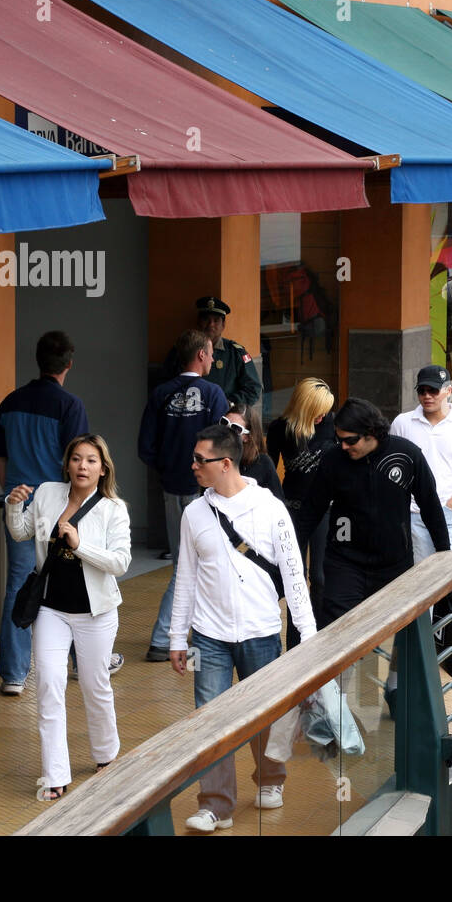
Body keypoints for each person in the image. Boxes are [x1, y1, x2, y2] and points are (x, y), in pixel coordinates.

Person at [168, 424, 317, 833]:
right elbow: (185, 578)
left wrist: (309, 638)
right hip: (208, 636)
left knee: (264, 715)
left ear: (226, 463)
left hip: (261, 631)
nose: (194, 465)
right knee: (208, 719)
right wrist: (177, 637)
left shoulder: (270, 509)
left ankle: (271, 779)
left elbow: (294, 576)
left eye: (201, 459)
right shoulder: (193, 513)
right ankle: (216, 805)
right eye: (194, 458)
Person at [5, 434, 130, 801]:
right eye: (76, 459)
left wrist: (80, 545)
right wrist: (14, 506)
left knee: (95, 686)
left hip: (96, 612)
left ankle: (106, 755)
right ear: (67, 464)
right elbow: (21, 532)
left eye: (91, 460)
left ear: (102, 468)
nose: (82, 466)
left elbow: (121, 562)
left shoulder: (113, 509)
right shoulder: (46, 493)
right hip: (50, 609)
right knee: (48, 684)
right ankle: (54, 774)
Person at [293, 398, 451, 632]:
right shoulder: (334, 460)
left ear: (371, 432)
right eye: (340, 440)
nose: (344, 446)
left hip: (394, 565)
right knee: (336, 633)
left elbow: (431, 508)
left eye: (350, 440)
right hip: (344, 563)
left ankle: (394, 671)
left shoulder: (406, 455)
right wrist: (291, 555)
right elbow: (310, 512)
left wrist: (445, 557)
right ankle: (345, 671)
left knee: (403, 636)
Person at [0, 331, 93, 697]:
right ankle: (84, 662)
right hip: (58, 507)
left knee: (18, 583)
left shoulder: (9, 402)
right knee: (69, 581)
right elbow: (78, 463)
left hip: (19, 502)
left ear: (38, 360)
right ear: (68, 364)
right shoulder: (70, 405)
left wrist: (12, 496)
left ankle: (14, 674)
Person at [139, 329, 229, 662]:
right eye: (210, 353)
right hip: (202, 493)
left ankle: (191, 630)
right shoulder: (214, 394)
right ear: (202, 355)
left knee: (186, 563)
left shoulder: (161, 393)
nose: (213, 358)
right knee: (192, 567)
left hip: (170, 488)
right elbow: (221, 446)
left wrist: (167, 470)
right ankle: (164, 637)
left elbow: (145, 446)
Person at [389, 365, 452, 610]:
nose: (427, 396)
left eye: (433, 391)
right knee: (422, 582)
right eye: (422, 390)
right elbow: (392, 465)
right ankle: (426, 644)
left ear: (447, 391)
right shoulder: (403, 423)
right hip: (415, 516)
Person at [266, 378, 337, 645]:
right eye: (318, 410)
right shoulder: (280, 429)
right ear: (305, 407)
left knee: (319, 576)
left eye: (326, 411)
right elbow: (269, 471)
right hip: (293, 511)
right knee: (293, 576)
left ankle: (318, 636)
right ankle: (295, 641)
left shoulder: (331, 424)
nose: (323, 416)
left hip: (324, 511)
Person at [163, 297, 261, 406]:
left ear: (223, 325)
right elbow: (165, 383)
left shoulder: (235, 353)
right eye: (206, 319)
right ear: (198, 322)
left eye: (216, 320)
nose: (211, 324)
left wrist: (228, 404)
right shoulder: (181, 349)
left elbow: (253, 388)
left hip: (223, 415)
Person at [223, 402, 283, 502]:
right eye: (224, 422)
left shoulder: (262, 462)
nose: (226, 431)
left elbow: (278, 503)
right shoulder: (213, 457)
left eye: (235, 428)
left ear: (247, 437)